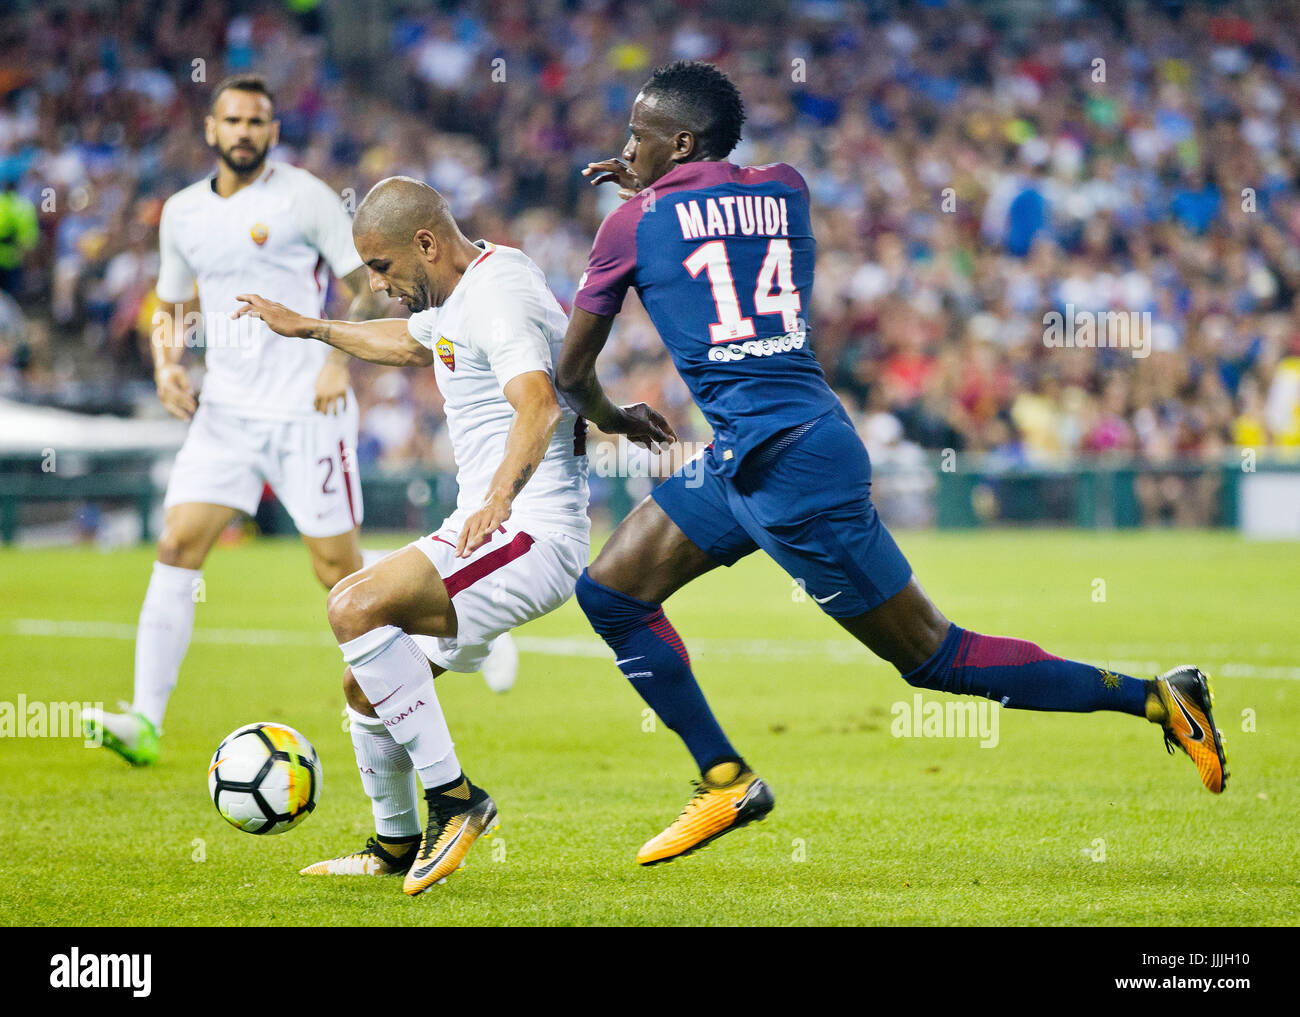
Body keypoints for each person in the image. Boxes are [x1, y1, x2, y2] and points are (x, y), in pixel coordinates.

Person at [556, 61, 1228, 868]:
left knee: (937, 657)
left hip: (794, 473)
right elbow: (718, 213)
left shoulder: (629, 224)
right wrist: (649, 181)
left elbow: (571, 375)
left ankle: (1158, 697)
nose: (626, 145)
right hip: (755, 455)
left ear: (681, 140)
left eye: (639, 133)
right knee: (612, 593)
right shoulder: (787, 187)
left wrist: (614, 418)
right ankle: (725, 777)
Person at [235, 176, 590, 895]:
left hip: (529, 531)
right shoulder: (469, 290)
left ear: (426, 243)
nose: (377, 282)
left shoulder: (498, 296)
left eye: (382, 266)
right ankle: (395, 842)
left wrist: (497, 498)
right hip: (489, 526)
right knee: (366, 686)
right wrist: (315, 327)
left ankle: (456, 800)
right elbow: (413, 343)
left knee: (352, 604)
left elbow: (540, 404)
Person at [85, 74, 390, 766]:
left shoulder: (303, 196)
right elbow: (170, 307)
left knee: (338, 573)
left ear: (273, 133)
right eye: (234, 120)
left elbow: (364, 286)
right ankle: (144, 719)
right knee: (176, 544)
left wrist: (338, 362)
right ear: (211, 130)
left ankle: (425, 659)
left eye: (258, 121)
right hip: (224, 411)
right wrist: (167, 366)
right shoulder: (183, 213)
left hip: (306, 409)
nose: (245, 132)